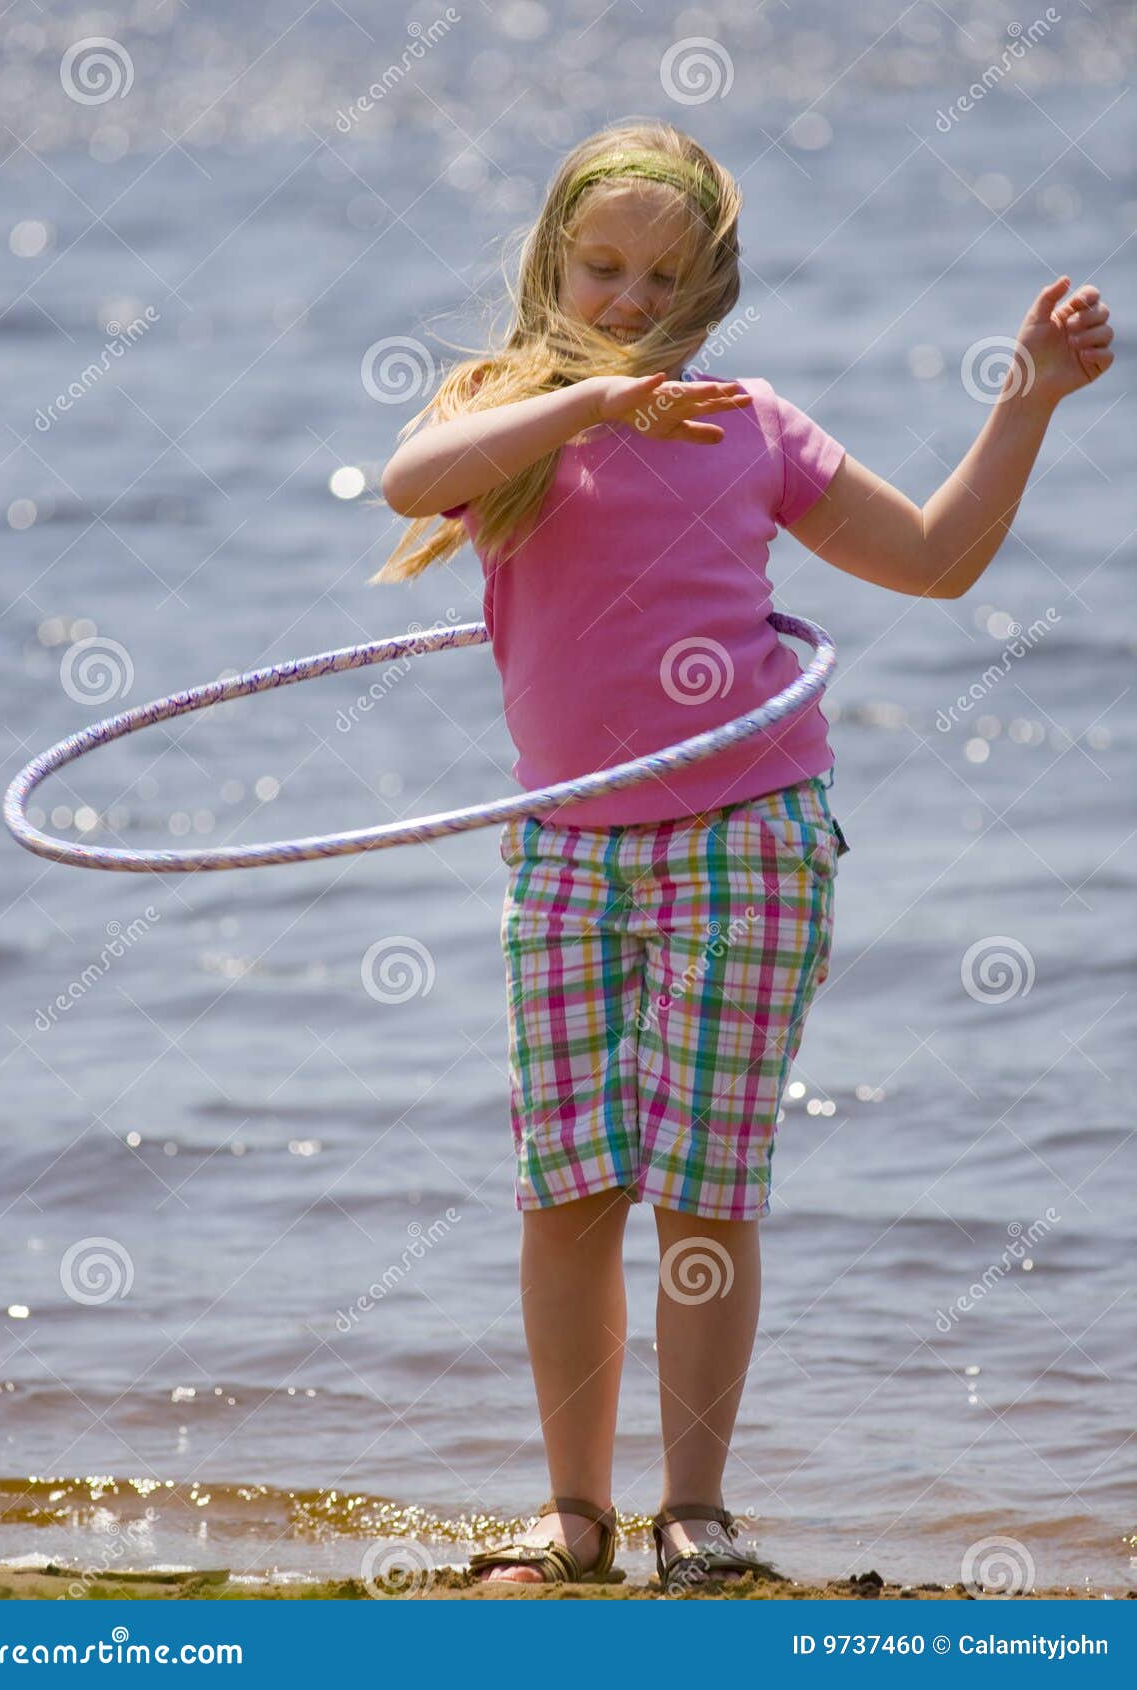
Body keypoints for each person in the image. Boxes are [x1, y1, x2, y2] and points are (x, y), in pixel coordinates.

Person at [375, 120, 1113, 1591]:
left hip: (747, 842)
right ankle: (573, 1514)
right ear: (552, 265)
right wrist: (584, 405)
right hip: (569, 849)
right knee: (567, 1189)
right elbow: (409, 480)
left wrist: (1026, 397)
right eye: (602, 268)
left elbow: (934, 559)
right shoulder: (503, 414)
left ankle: (694, 1512)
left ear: (710, 287)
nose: (631, 300)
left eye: (665, 277)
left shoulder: (751, 425)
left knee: (706, 1189)